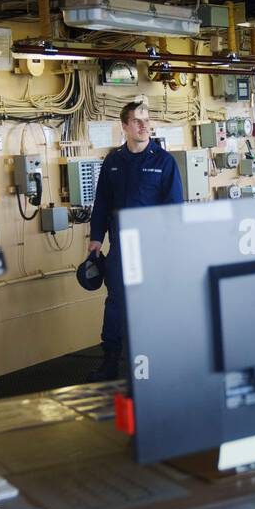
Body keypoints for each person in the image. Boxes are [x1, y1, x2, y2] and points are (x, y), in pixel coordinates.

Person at [86, 100, 184, 381]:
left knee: (154, 305)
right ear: (125, 126)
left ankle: (156, 364)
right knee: (115, 304)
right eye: (138, 121)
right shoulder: (113, 162)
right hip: (120, 248)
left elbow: (175, 209)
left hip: (154, 250)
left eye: (147, 120)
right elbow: (102, 203)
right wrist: (95, 239)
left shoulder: (164, 161)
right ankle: (110, 363)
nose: (144, 126)